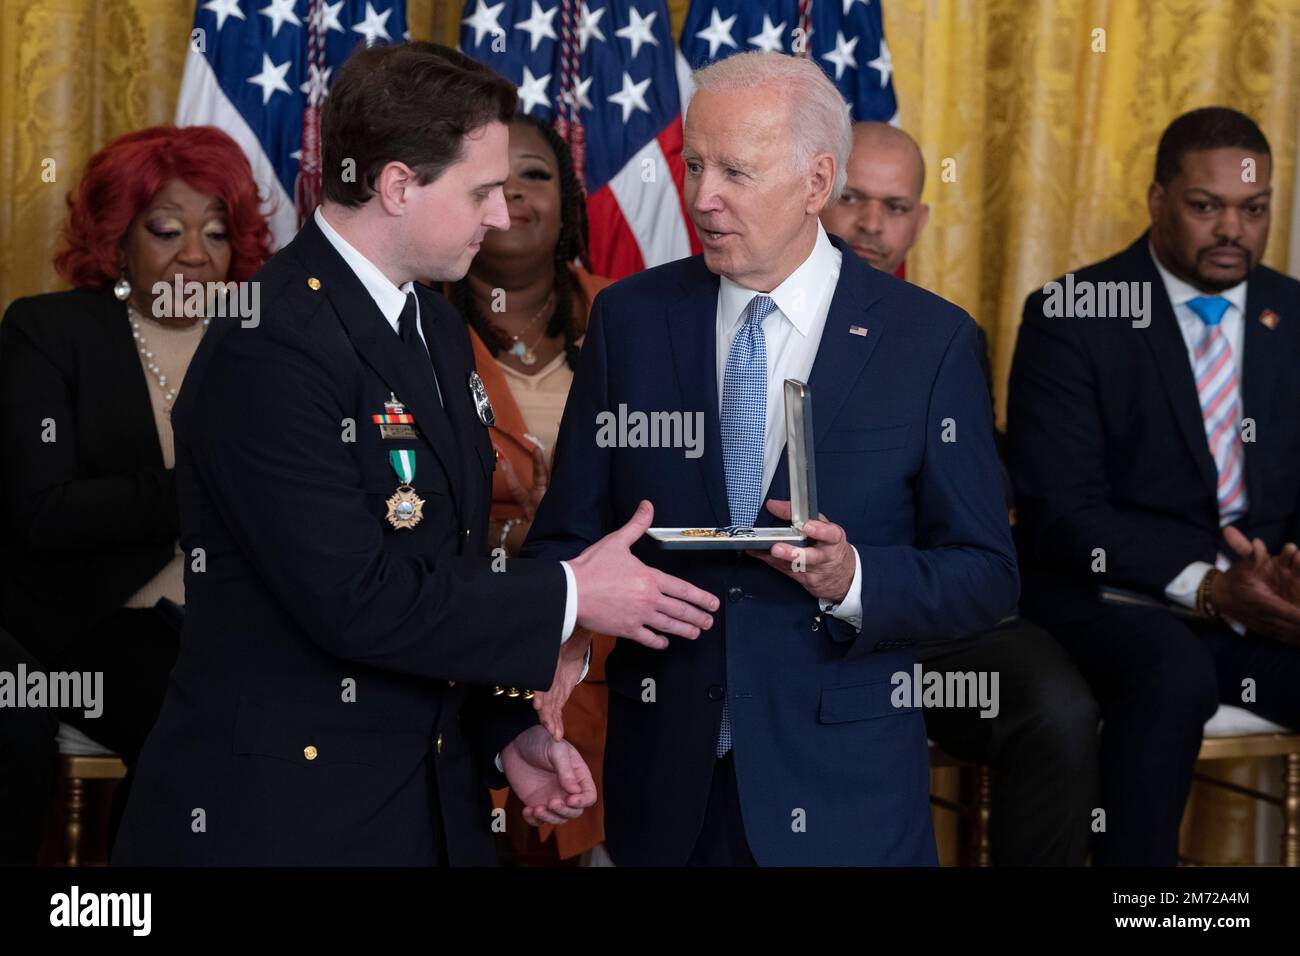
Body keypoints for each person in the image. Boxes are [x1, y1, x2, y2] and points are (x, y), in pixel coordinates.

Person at [111, 41, 718, 867]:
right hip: (287, 818)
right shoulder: (272, 339)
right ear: (397, 185)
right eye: (481, 191)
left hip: (425, 801)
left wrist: (506, 735)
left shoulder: (429, 322)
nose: (501, 216)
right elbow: (355, 598)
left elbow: (441, 561)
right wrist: (574, 593)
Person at [523, 52, 1018, 866]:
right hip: (668, 794)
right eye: (694, 165)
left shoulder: (928, 343)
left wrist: (853, 579)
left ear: (817, 181)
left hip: (843, 799)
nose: (702, 197)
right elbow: (566, 538)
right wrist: (569, 623)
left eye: (736, 173)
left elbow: (985, 575)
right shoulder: (631, 321)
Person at [1008, 106, 1300, 866]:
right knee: (1169, 673)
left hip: (1261, 611)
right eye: (1208, 207)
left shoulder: (1294, 316)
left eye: (1254, 208)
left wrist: (1287, 579)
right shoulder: (1072, 314)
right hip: (1113, 600)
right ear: (1158, 200)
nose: (1233, 229)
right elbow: (1059, 515)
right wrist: (1208, 586)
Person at [820, 121, 1099, 866]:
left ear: (921, 220)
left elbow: (973, 521)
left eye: (896, 206)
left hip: (931, 622)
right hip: (804, 613)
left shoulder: (944, 336)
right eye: (851, 198)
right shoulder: (743, 311)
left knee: (1057, 707)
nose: (871, 224)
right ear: (814, 190)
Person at [0, 125, 274, 846]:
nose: (195, 252)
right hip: (105, 621)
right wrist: (210, 489)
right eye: (166, 229)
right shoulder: (51, 331)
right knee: (203, 733)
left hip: (258, 617)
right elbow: (45, 513)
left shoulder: (265, 342)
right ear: (117, 238)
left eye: (217, 233)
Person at [447, 111, 615, 866]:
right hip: (461, 611)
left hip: (611, 626)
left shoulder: (629, 317)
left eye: (537, 175)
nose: (514, 193)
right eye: (493, 177)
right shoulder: (411, 323)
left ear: (568, 200)